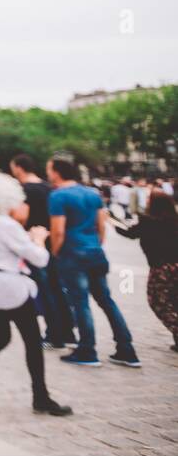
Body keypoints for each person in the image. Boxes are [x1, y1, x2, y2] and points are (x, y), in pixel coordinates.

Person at [0, 174, 72, 416]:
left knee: (1, 335)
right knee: (32, 342)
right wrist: (39, 239)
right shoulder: (5, 224)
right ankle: (40, 396)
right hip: (11, 288)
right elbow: (39, 259)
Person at [47, 157, 139, 368]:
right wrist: (96, 245)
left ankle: (87, 349)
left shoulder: (58, 196)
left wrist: (55, 253)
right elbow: (102, 225)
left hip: (72, 254)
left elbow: (58, 231)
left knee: (81, 303)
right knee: (106, 300)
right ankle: (126, 348)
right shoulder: (92, 193)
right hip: (95, 252)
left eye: (50, 170)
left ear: (57, 172)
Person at [9, 153, 76, 348]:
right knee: (56, 289)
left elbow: (21, 217)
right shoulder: (48, 188)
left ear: (19, 168)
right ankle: (68, 331)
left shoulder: (25, 189)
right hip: (49, 243)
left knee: (44, 291)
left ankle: (54, 334)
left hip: (34, 243)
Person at [115, 192, 178, 352]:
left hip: (161, 269)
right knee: (175, 301)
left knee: (158, 302)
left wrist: (112, 221)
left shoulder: (148, 222)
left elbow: (129, 233)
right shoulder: (174, 220)